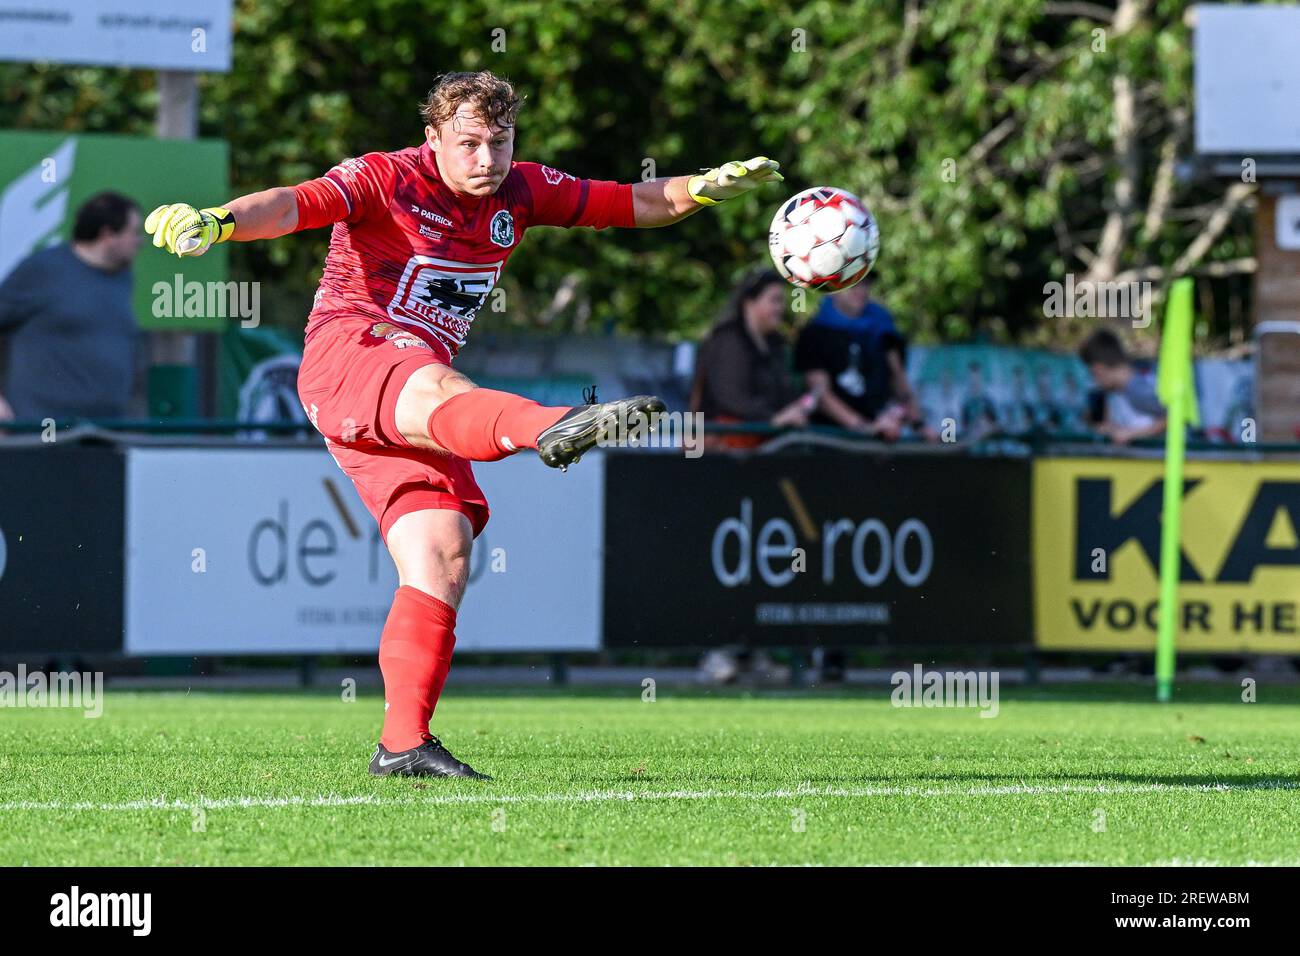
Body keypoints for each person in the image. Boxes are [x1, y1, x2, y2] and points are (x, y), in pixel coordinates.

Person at [144, 70, 783, 780]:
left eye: (500, 143)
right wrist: (218, 221)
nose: (487, 160)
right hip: (350, 355)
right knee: (440, 383)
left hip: (410, 397)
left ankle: (402, 743)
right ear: (433, 140)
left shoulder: (523, 190)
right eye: (469, 143)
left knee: (443, 551)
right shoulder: (386, 178)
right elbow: (295, 204)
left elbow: (631, 201)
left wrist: (701, 188)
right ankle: (554, 425)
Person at [0, 192, 144, 422]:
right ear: (107, 235)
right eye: (134, 233)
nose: (140, 241)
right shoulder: (44, 270)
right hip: (42, 431)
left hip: (107, 431)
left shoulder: (122, 277)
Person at [690, 267, 818, 449]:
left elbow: (782, 390)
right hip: (723, 445)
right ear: (749, 302)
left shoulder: (776, 344)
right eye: (774, 300)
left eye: (781, 301)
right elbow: (730, 396)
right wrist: (773, 418)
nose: (780, 308)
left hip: (764, 444)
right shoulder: (728, 339)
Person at [793, 273, 930, 440]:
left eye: (865, 283)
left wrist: (920, 426)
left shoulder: (883, 329)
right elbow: (819, 395)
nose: (861, 290)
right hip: (831, 441)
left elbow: (899, 383)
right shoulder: (814, 334)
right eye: (852, 284)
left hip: (881, 440)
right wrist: (864, 427)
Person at [1078, 329, 1166, 444]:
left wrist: (1132, 434)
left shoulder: (1138, 390)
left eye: (1092, 374)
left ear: (1098, 369)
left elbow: (1172, 418)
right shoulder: (1114, 393)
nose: (1095, 382)